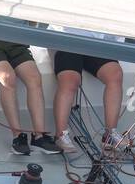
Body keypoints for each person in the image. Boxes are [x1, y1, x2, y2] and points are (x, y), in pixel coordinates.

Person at [0, 34, 61, 155]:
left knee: (34, 78)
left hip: (15, 39)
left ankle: (39, 136)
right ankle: (17, 136)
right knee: (7, 78)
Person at [50, 25, 128, 155]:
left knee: (115, 74)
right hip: (66, 39)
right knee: (70, 80)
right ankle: (60, 135)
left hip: (96, 43)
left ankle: (110, 134)